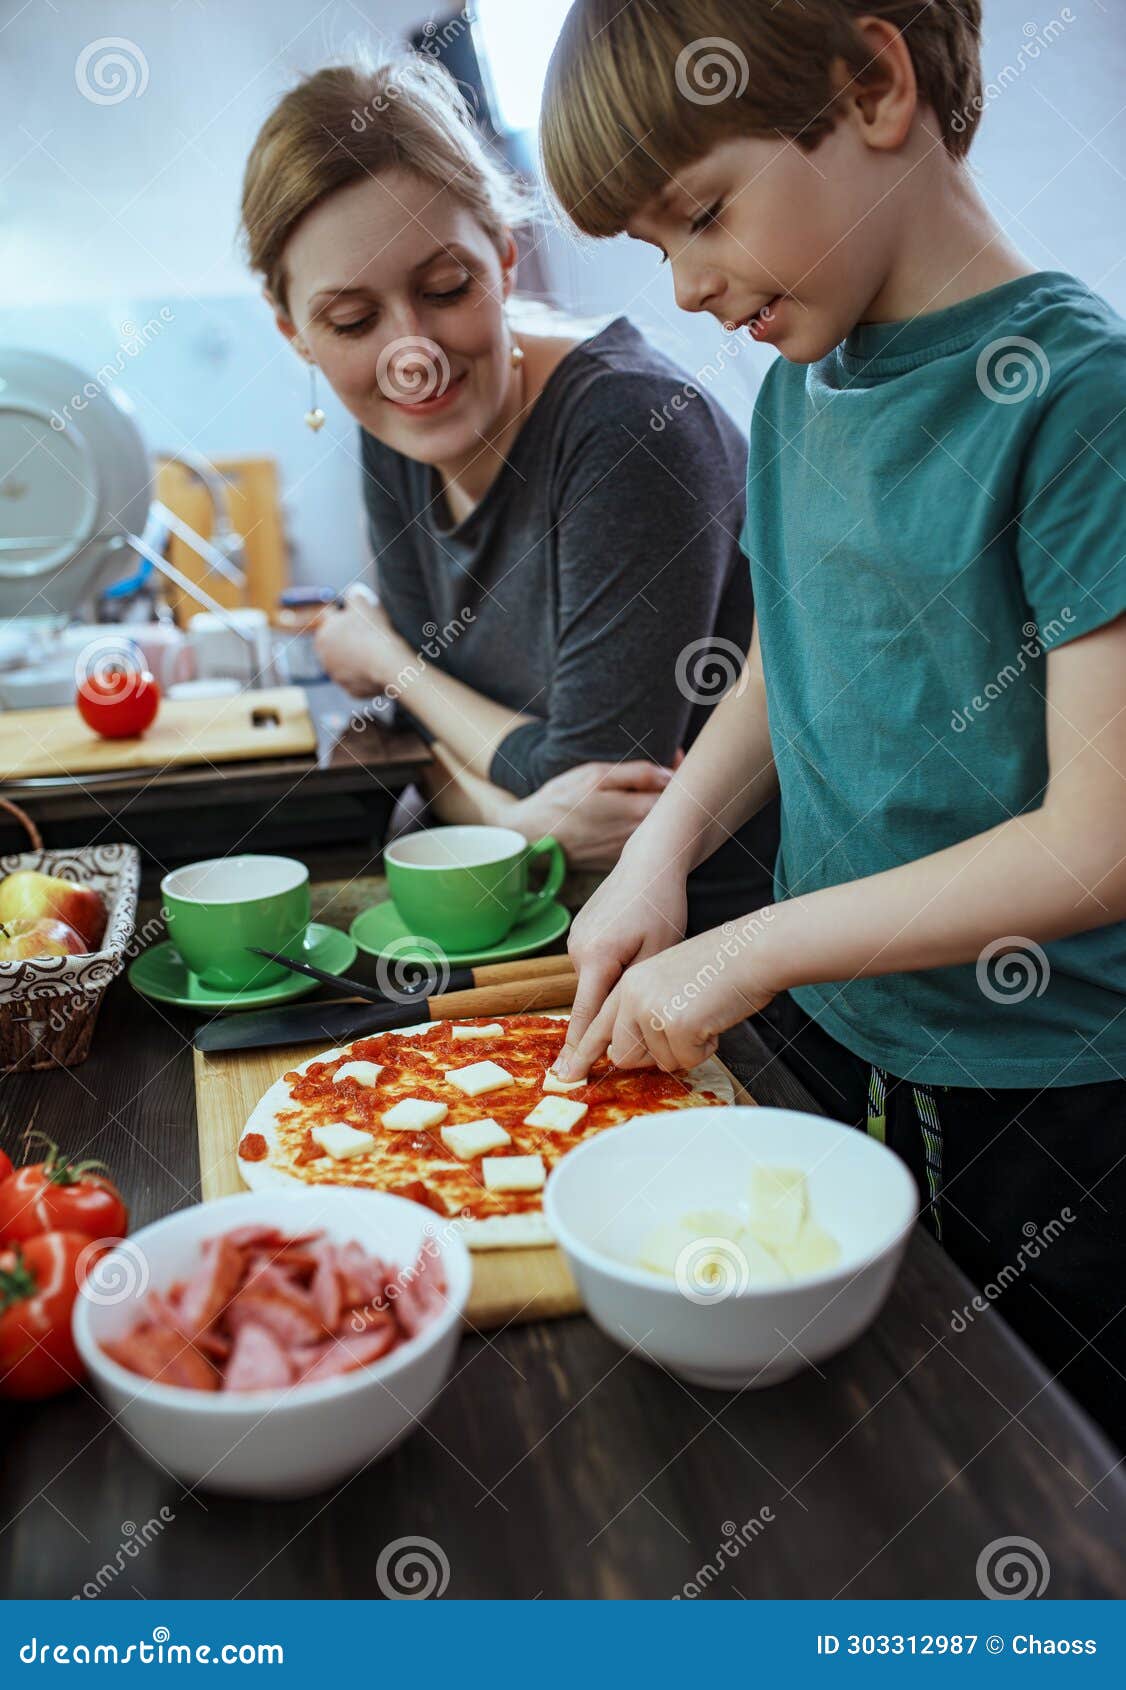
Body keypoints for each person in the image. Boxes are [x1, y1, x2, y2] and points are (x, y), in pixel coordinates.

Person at [541, 0, 1126, 1444]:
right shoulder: (807, 379)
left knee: (1060, 1476)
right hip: (855, 1043)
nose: (683, 286)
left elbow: (1092, 846)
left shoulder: (1077, 400)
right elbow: (780, 661)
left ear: (873, 84)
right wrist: (661, 850)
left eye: (702, 214)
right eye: (652, 249)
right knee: (900, 1451)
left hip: (1054, 1096)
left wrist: (749, 946)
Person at [239, 53, 779, 922]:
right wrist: (519, 826)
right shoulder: (395, 430)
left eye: (446, 287)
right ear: (294, 331)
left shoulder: (634, 428)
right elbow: (445, 758)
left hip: (705, 943)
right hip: (526, 905)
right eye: (352, 320)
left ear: (503, 255)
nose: (412, 357)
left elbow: (594, 787)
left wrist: (388, 661)